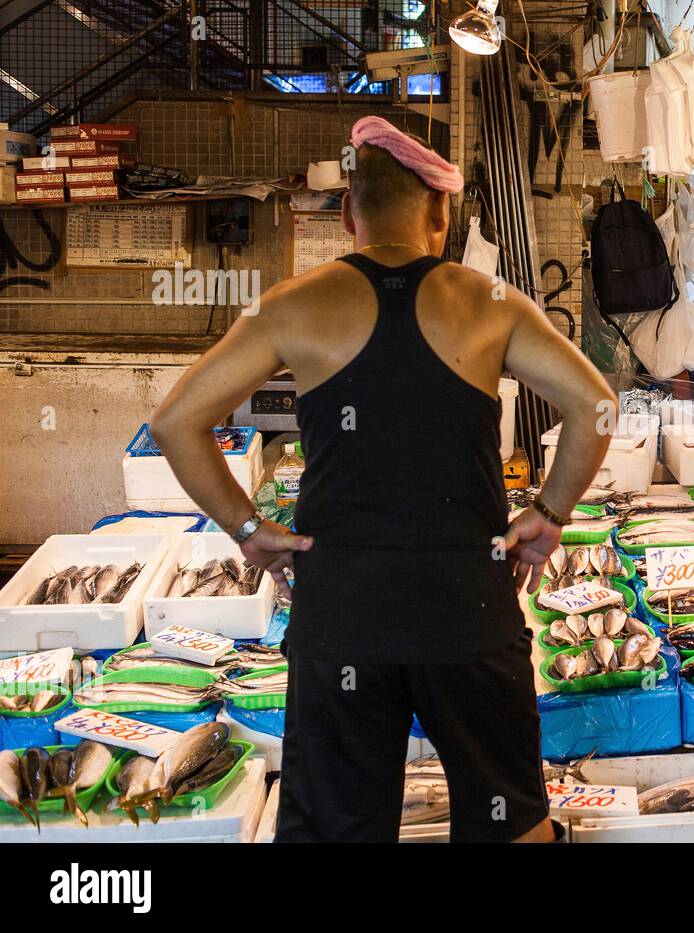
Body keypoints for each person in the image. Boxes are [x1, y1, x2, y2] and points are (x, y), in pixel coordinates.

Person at [150, 116, 615, 842]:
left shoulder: (290, 304)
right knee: (510, 822)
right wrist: (549, 511)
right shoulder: (489, 303)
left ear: (347, 213)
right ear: (440, 214)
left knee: (339, 828)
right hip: (468, 609)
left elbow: (175, 420)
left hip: (343, 616)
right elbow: (598, 406)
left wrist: (250, 530)